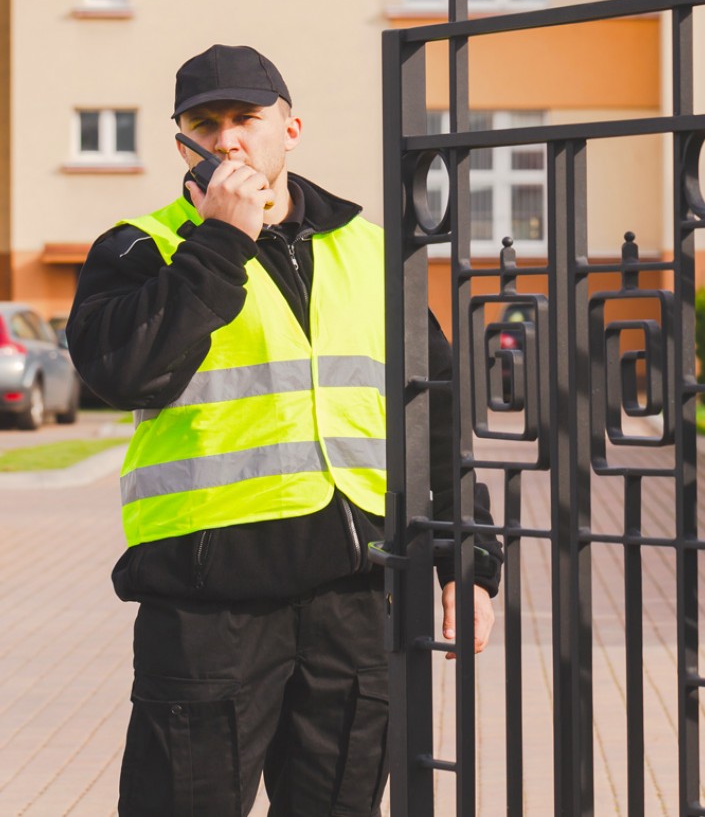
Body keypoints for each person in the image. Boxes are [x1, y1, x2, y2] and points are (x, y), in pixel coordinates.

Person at [66, 44, 503, 817]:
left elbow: (431, 410)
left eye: (247, 119)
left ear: (289, 129)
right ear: (183, 146)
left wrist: (465, 560)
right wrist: (221, 243)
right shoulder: (140, 248)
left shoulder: (371, 250)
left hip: (355, 595)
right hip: (209, 605)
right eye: (207, 124)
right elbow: (121, 373)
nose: (229, 140)